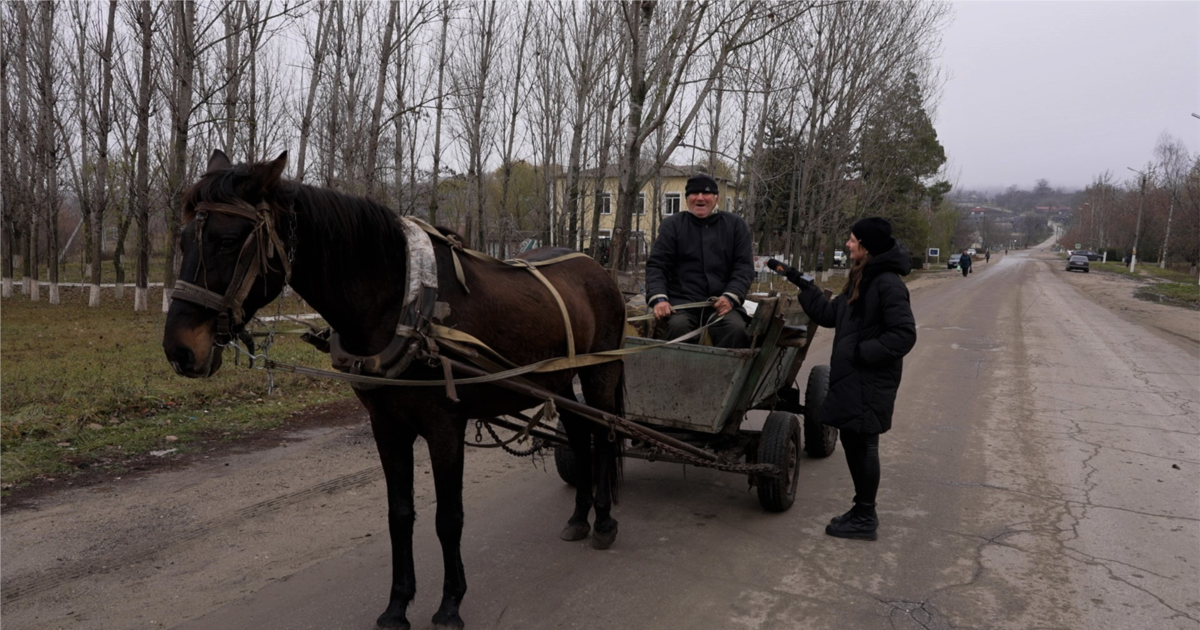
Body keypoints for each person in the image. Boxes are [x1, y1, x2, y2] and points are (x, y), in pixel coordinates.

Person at [769, 217, 916, 541]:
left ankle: (865, 516)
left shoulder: (887, 284)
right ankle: (862, 509)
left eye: (852, 240)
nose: (848, 245)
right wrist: (802, 284)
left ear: (866, 246)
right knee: (853, 440)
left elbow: (903, 335)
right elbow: (830, 315)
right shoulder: (862, 278)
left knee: (863, 444)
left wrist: (863, 353)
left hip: (869, 378)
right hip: (856, 377)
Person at [646, 174, 754, 348]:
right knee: (677, 327)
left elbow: (744, 267)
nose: (700, 198)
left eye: (706, 193)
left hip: (721, 305)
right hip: (681, 304)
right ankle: (675, 374)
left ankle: (729, 375)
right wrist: (660, 299)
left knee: (736, 329)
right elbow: (657, 266)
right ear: (687, 199)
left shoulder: (735, 225)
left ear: (716, 198)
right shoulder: (672, 225)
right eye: (694, 193)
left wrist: (731, 296)